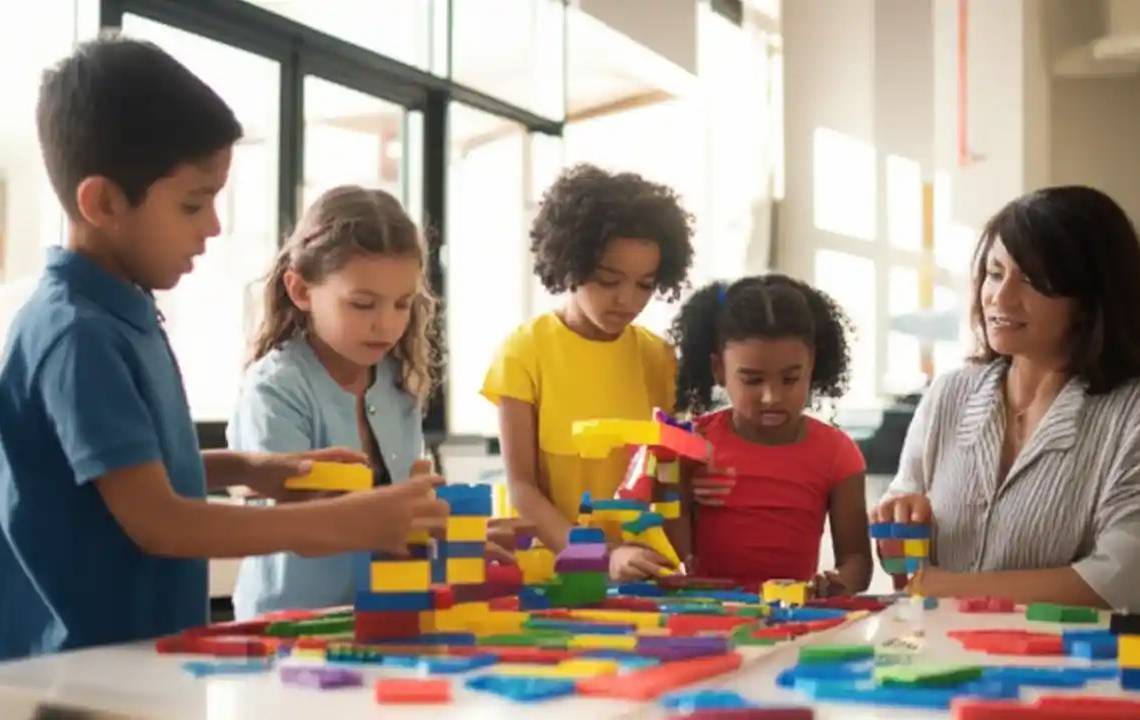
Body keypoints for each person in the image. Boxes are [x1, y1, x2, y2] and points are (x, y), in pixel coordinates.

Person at [0, 38, 446, 664]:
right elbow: (161, 521)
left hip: (139, 660)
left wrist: (248, 470)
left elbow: (128, 476)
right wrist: (350, 522)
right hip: (71, 671)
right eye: (193, 203)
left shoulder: (126, 313)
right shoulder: (76, 333)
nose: (214, 226)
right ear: (103, 203)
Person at [871, 186, 1140, 614]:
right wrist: (900, 526)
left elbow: (1125, 582)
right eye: (995, 272)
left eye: (1032, 280)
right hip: (933, 659)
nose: (1000, 298)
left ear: (1088, 298)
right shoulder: (948, 393)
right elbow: (904, 571)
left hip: (1066, 670)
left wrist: (948, 586)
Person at [228, 186, 453, 619]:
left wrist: (458, 531)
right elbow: (300, 529)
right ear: (300, 290)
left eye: (402, 304)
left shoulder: (398, 383)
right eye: (362, 303)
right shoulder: (276, 388)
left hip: (384, 618)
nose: (385, 324)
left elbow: (406, 522)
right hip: (287, 626)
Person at [482, 163, 695, 581]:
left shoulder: (660, 360)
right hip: (551, 570)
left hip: (643, 569)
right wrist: (600, 554)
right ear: (570, 263)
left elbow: (670, 481)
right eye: (608, 279)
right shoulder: (524, 351)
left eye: (644, 284)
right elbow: (524, 490)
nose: (626, 300)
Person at [667, 275, 873, 594]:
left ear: (812, 364)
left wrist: (836, 583)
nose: (771, 397)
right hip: (704, 615)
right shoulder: (689, 445)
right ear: (719, 369)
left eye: (790, 379)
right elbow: (671, 557)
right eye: (752, 380)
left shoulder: (837, 453)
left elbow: (857, 560)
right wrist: (680, 485)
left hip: (792, 618)